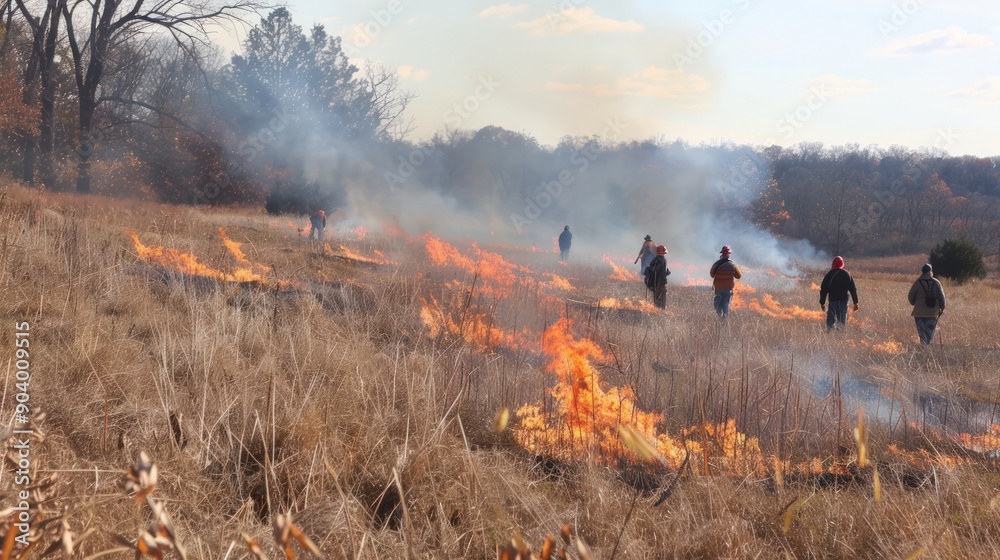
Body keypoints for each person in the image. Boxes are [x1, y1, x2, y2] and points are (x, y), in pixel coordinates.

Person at [908, 263, 946, 345]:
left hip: (919, 314)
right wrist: (941, 309)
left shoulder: (917, 282)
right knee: (929, 336)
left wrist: (916, 303)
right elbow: (942, 298)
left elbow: (911, 298)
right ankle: (927, 352)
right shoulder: (936, 282)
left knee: (922, 336)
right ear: (931, 271)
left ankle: (923, 350)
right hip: (932, 313)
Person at [819, 256, 859, 330]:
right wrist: (855, 302)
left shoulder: (829, 275)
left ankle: (829, 335)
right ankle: (840, 336)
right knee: (841, 322)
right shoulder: (847, 274)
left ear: (833, 264)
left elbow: (823, 290)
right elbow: (853, 289)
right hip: (843, 302)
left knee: (830, 322)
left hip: (832, 301)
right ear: (842, 264)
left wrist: (822, 303)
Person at [709, 245, 742, 318]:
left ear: (722, 253)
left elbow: (712, 274)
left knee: (718, 305)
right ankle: (725, 320)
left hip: (718, 288)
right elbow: (739, 276)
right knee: (726, 305)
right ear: (729, 254)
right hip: (728, 289)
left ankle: (719, 318)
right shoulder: (733, 264)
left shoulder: (717, 264)